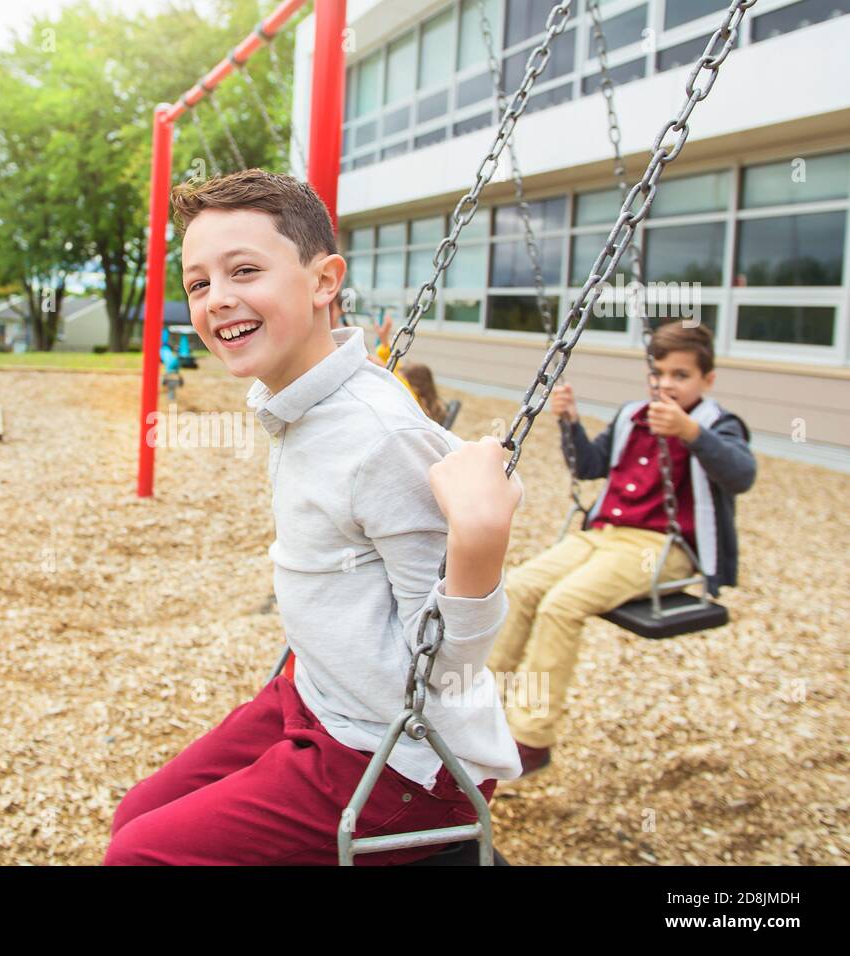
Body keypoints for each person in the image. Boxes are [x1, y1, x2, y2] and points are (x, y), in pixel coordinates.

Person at [104, 168, 524, 866]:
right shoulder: (299, 401)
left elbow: (443, 670)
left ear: (325, 280)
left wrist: (479, 543)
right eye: (200, 283)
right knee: (137, 814)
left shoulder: (378, 435)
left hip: (398, 760)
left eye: (245, 270)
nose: (219, 300)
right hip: (317, 694)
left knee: (141, 856)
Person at [486, 322, 757, 779]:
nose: (666, 384)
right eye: (659, 374)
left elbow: (741, 475)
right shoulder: (632, 414)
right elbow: (588, 466)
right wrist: (570, 423)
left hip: (662, 548)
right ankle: (482, 705)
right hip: (602, 535)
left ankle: (532, 737)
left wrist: (691, 432)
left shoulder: (716, 424)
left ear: (707, 380)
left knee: (562, 605)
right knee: (522, 584)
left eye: (681, 375)